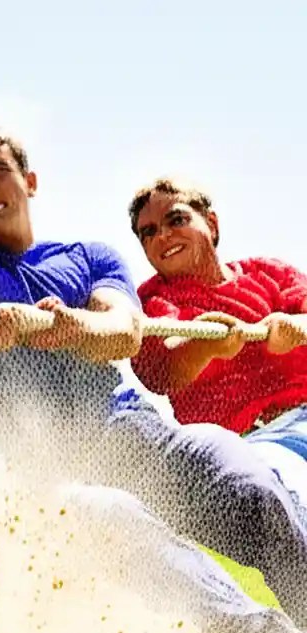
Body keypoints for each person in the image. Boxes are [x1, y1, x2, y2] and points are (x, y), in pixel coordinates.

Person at [0, 123, 307, 633]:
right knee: (111, 516)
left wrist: (76, 328)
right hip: (54, 470)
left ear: (30, 181)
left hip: (141, 437)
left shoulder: (91, 257)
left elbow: (122, 328)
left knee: (247, 479)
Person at [129, 177, 307, 478]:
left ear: (211, 224)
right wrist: (205, 346)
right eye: (148, 233)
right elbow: (158, 373)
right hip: (239, 454)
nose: (163, 235)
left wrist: (295, 326)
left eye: (176, 219)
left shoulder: (269, 273)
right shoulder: (151, 303)